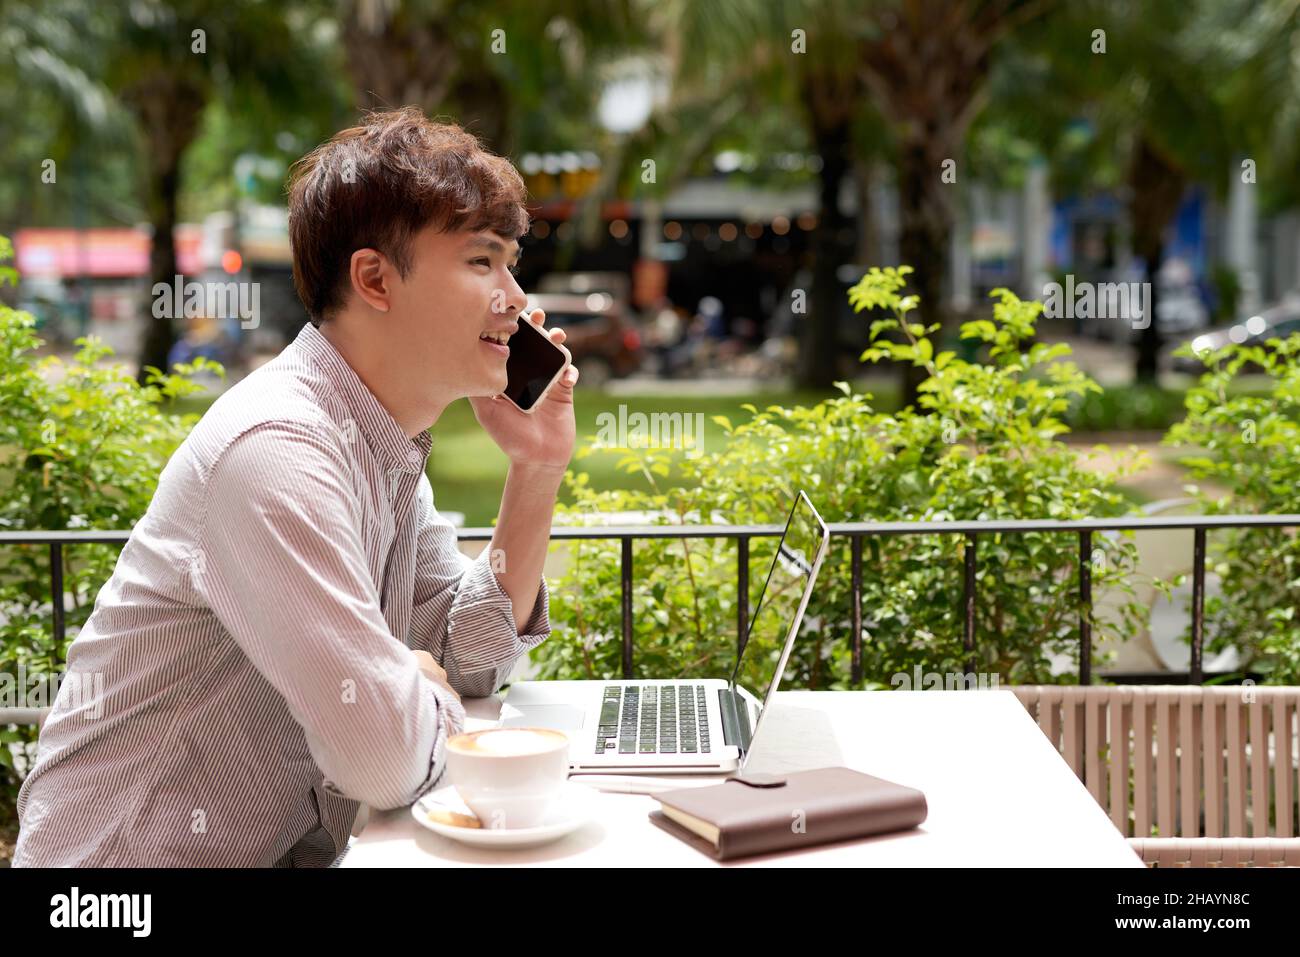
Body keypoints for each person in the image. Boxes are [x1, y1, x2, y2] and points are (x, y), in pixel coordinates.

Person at [13, 107, 578, 867]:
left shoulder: (381, 441)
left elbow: (467, 652)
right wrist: (413, 687)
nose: (514, 296)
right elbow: (380, 757)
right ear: (374, 277)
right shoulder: (277, 451)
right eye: (482, 262)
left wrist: (536, 468)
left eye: (509, 263)